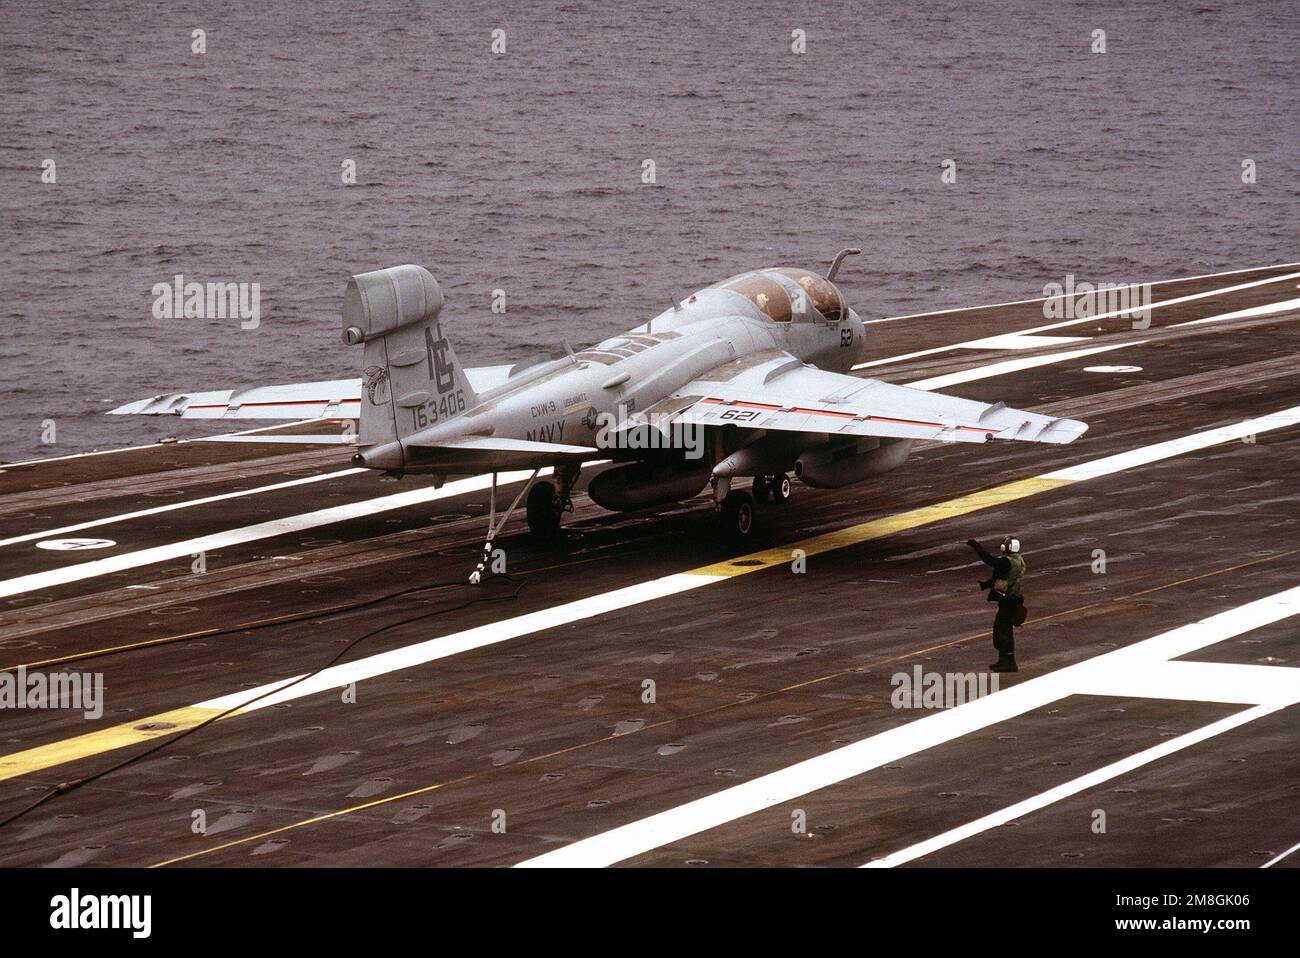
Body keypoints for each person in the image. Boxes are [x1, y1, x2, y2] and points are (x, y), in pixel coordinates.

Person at [965, 535, 1026, 672]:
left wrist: (976, 546)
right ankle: (1004, 660)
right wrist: (986, 585)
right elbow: (1001, 576)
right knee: (1004, 631)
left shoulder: (1006, 562)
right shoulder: (1018, 560)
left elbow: (989, 560)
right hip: (1013, 600)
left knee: (1002, 632)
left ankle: (1009, 663)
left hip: (1007, 602)